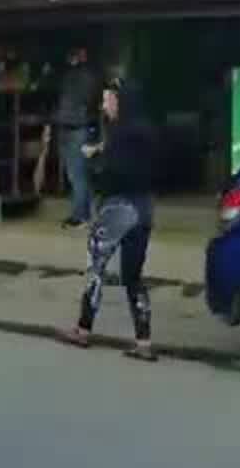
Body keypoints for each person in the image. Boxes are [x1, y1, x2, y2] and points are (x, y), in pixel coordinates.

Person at [58, 76, 159, 361]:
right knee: (133, 276)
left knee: (96, 267)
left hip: (118, 207)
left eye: (108, 100)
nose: (104, 106)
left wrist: (94, 163)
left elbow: (111, 174)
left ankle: (83, 329)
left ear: (121, 102)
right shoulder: (149, 131)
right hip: (145, 208)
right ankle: (144, 341)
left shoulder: (121, 134)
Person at [45, 46, 101, 228]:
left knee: (77, 175)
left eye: (77, 54)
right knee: (78, 174)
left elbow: (84, 99)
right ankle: (92, 213)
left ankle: (80, 216)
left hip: (78, 128)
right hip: (68, 127)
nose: (73, 57)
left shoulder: (86, 76)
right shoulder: (68, 75)